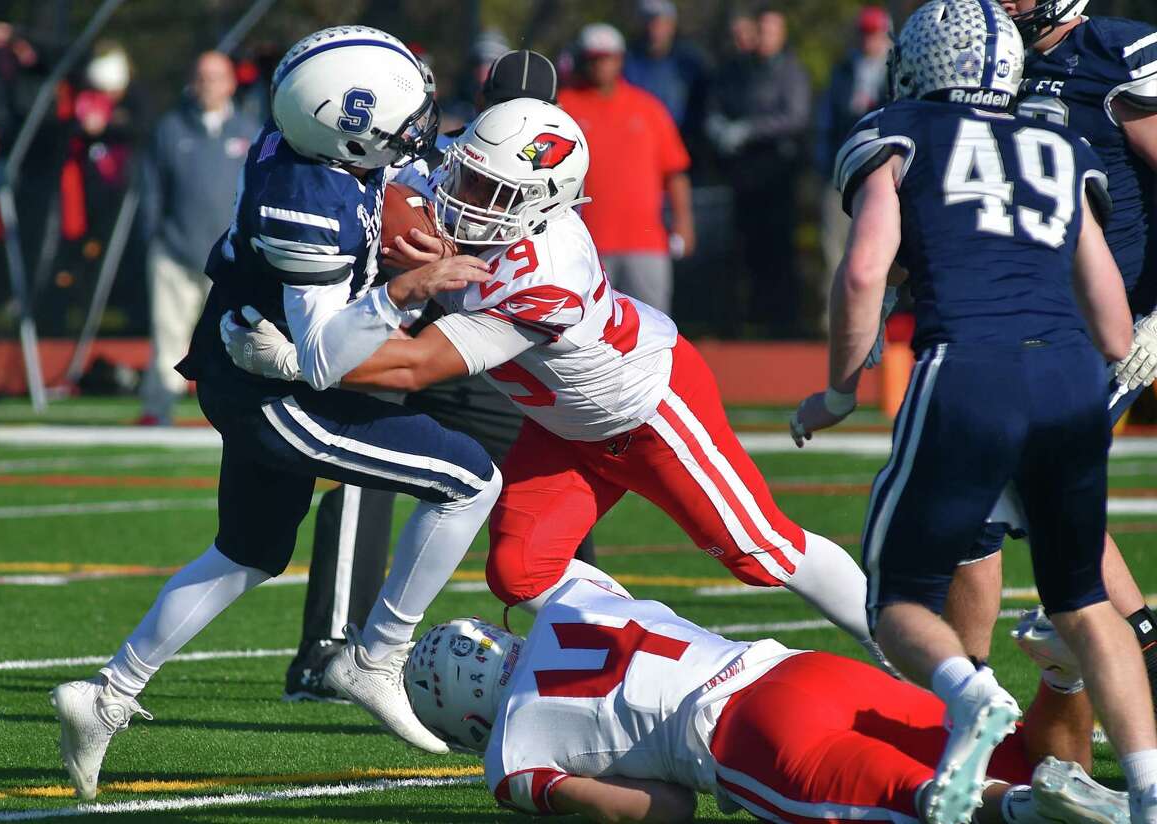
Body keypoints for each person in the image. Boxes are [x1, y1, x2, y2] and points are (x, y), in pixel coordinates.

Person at [223, 98, 883, 672]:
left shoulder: (545, 273)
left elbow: (414, 364)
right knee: (520, 572)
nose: (461, 199)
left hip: (646, 409)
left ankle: (909, 652)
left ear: (540, 206)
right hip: (562, 426)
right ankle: (665, 655)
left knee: (761, 551)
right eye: (466, 175)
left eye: (490, 193)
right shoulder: (465, 190)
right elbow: (391, 191)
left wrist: (295, 358)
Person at [50, 27, 502, 801]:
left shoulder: (308, 138)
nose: (417, 131)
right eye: (400, 122)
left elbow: (413, 164)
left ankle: (107, 696)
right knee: (469, 481)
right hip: (278, 389)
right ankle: (374, 658)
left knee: (248, 553)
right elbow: (326, 359)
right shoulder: (308, 201)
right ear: (346, 130)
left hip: (252, 362)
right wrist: (403, 289)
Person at [791, 3, 1157, 822]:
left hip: (969, 367)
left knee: (895, 601)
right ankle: (1151, 787)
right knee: (1081, 602)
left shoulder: (894, 131)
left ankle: (972, 696)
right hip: (1069, 372)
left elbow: (861, 277)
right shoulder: (1058, 143)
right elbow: (1105, 314)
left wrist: (841, 390)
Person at [283, 48, 599, 704]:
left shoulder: (554, 180)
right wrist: (411, 236)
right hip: (416, 326)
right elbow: (390, 198)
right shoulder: (443, 151)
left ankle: (588, 648)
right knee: (360, 465)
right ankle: (331, 646)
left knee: (552, 485)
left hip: (489, 350)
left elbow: (542, 269)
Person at [403, 572, 1129, 824]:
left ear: (464, 721)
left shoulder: (509, 754)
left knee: (943, 804)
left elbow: (665, 810)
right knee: (1017, 754)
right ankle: (1061, 675)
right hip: (804, 671)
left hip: (749, 733)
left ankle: (1028, 808)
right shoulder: (574, 600)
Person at [943, 0, 1157, 715]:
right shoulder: (996, 65)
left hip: (1108, 324)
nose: (1002, 3)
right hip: (1025, 316)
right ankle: (964, 699)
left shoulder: (1115, 52)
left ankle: (1128, 650)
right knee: (976, 503)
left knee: (1028, 473)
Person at [137, 52, 258, 425]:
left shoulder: (250, 130)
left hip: (229, 257)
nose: (209, 85)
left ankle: (238, 410)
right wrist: (155, 239)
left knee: (236, 335)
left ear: (231, 82)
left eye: (216, 77)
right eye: (202, 77)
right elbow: (152, 191)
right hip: (175, 251)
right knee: (168, 334)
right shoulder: (170, 129)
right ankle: (158, 408)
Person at [558, 22, 695, 317]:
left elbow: (675, 171)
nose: (601, 65)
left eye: (607, 57)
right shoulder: (564, 107)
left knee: (655, 327)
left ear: (620, 59)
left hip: (646, 242)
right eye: (594, 57)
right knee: (588, 330)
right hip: (585, 243)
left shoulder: (648, 108)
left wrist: (683, 221)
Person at [705, 5, 810, 338]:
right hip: (743, 176)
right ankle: (739, 324)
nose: (762, 37)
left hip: (777, 176)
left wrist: (750, 129)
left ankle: (782, 325)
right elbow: (719, 104)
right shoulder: (740, 70)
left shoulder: (792, 71)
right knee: (740, 250)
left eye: (769, 31)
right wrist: (717, 125)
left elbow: (795, 117)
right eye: (760, 30)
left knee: (778, 251)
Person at [813, 5, 891, 334]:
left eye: (874, 33)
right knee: (834, 249)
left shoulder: (898, 66)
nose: (868, 40)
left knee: (882, 250)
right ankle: (835, 322)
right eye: (864, 33)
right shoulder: (844, 70)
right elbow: (825, 121)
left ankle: (882, 323)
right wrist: (825, 166)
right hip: (843, 170)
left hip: (885, 171)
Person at [623, 0, 709, 141]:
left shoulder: (690, 62)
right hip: (637, 139)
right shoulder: (626, 61)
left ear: (672, 25)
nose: (654, 29)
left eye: (661, 22)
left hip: (681, 141)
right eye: (649, 21)